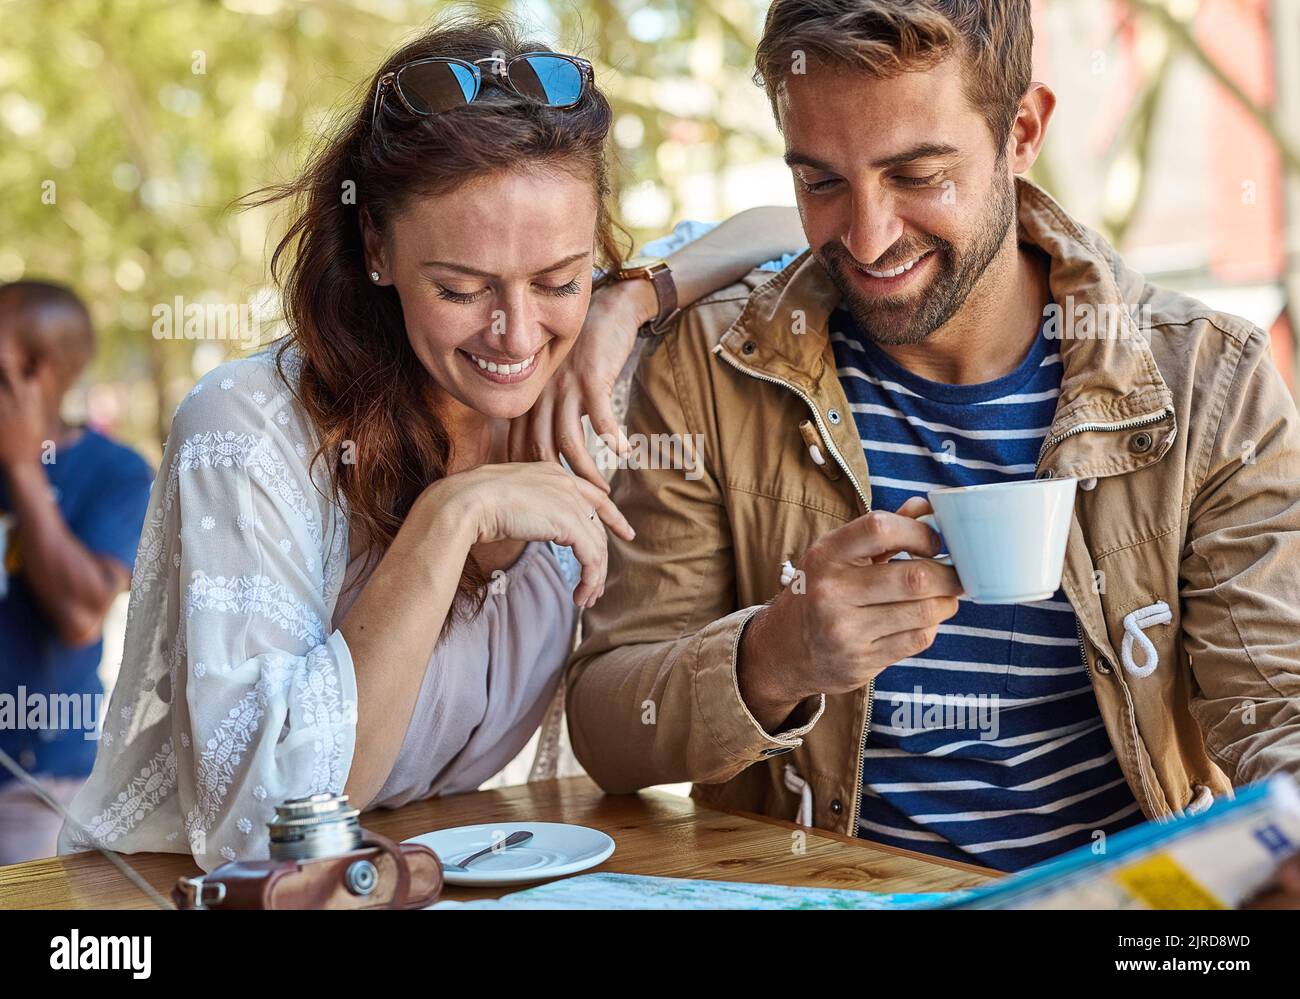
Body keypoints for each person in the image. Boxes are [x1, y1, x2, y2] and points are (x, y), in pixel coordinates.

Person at [565, 0, 1300, 903]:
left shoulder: (1209, 381)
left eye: (916, 174)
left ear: (1022, 130)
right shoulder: (711, 375)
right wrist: (773, 656)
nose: (867, 238)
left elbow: (1274, 707)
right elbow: (606, 724)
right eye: (820, 183)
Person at [57, 15, 802, 872]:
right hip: (162, 900)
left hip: (414, 881)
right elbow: (272, 827)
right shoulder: (250, 430)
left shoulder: (579, 370)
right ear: (375, 245)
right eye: (461, 287)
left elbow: (796, 222)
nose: (515, 331)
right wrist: (451, 516)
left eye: (557, 278)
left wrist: (626, 301)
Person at [0, 280, 152, 865]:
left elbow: (80, 614)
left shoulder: (115, 473)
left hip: (37, 786)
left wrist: (20, 465)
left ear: (35, 371)